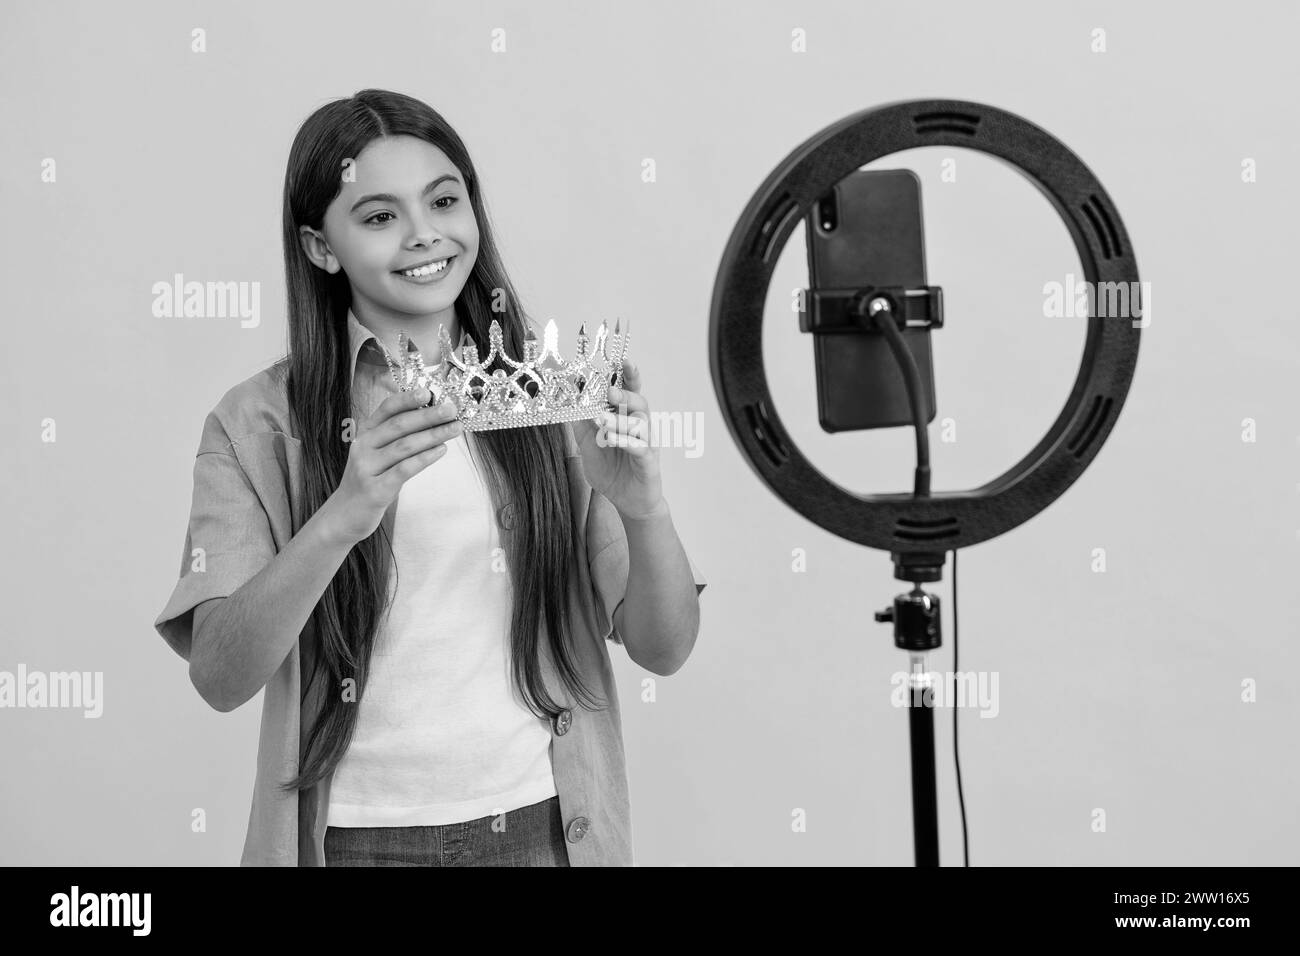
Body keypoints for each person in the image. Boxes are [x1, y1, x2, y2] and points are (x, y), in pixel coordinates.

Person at [153, 88, 707, 866]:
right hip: (350, 841)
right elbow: (219, 673)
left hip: (541, 829)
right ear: (321, 247)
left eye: (444, 200)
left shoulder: (549, 403)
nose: (425, 236)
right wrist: (347, 512)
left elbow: (664, 646)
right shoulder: (255, 426)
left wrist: (644, 509)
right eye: (379, 217)